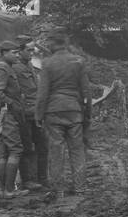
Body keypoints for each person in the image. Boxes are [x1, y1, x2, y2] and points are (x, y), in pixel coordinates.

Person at [35, 31, 90, 198]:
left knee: (56, 151)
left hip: (53, 112)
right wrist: (88, 114)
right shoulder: (79, 62)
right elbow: (86, 91)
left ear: (53, 44)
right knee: (77, 150)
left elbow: (43, 93)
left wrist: (39, 115)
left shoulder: (47, 64)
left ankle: (58, 190)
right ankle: (79, 187)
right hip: (75, 111)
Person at [0, 41, 25, 197]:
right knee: (15, 149)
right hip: (6, 114)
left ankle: (4, 189)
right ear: (4, 53)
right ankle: (9, 189)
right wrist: (12, 103)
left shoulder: (3, 67)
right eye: (14, 52)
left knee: (3, 151)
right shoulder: (2, 68)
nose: (17, 55)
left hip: (1, 113)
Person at [12, 35, 44, 190]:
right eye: (29, 50)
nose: (32, 53)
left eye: (33, 50)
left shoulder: (29, 64)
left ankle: (41, 178)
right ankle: (28, 180)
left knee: (42, 146)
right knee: (26, 147)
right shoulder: (16, 67)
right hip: (25, 113)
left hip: (35, 111)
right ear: (20, 51)